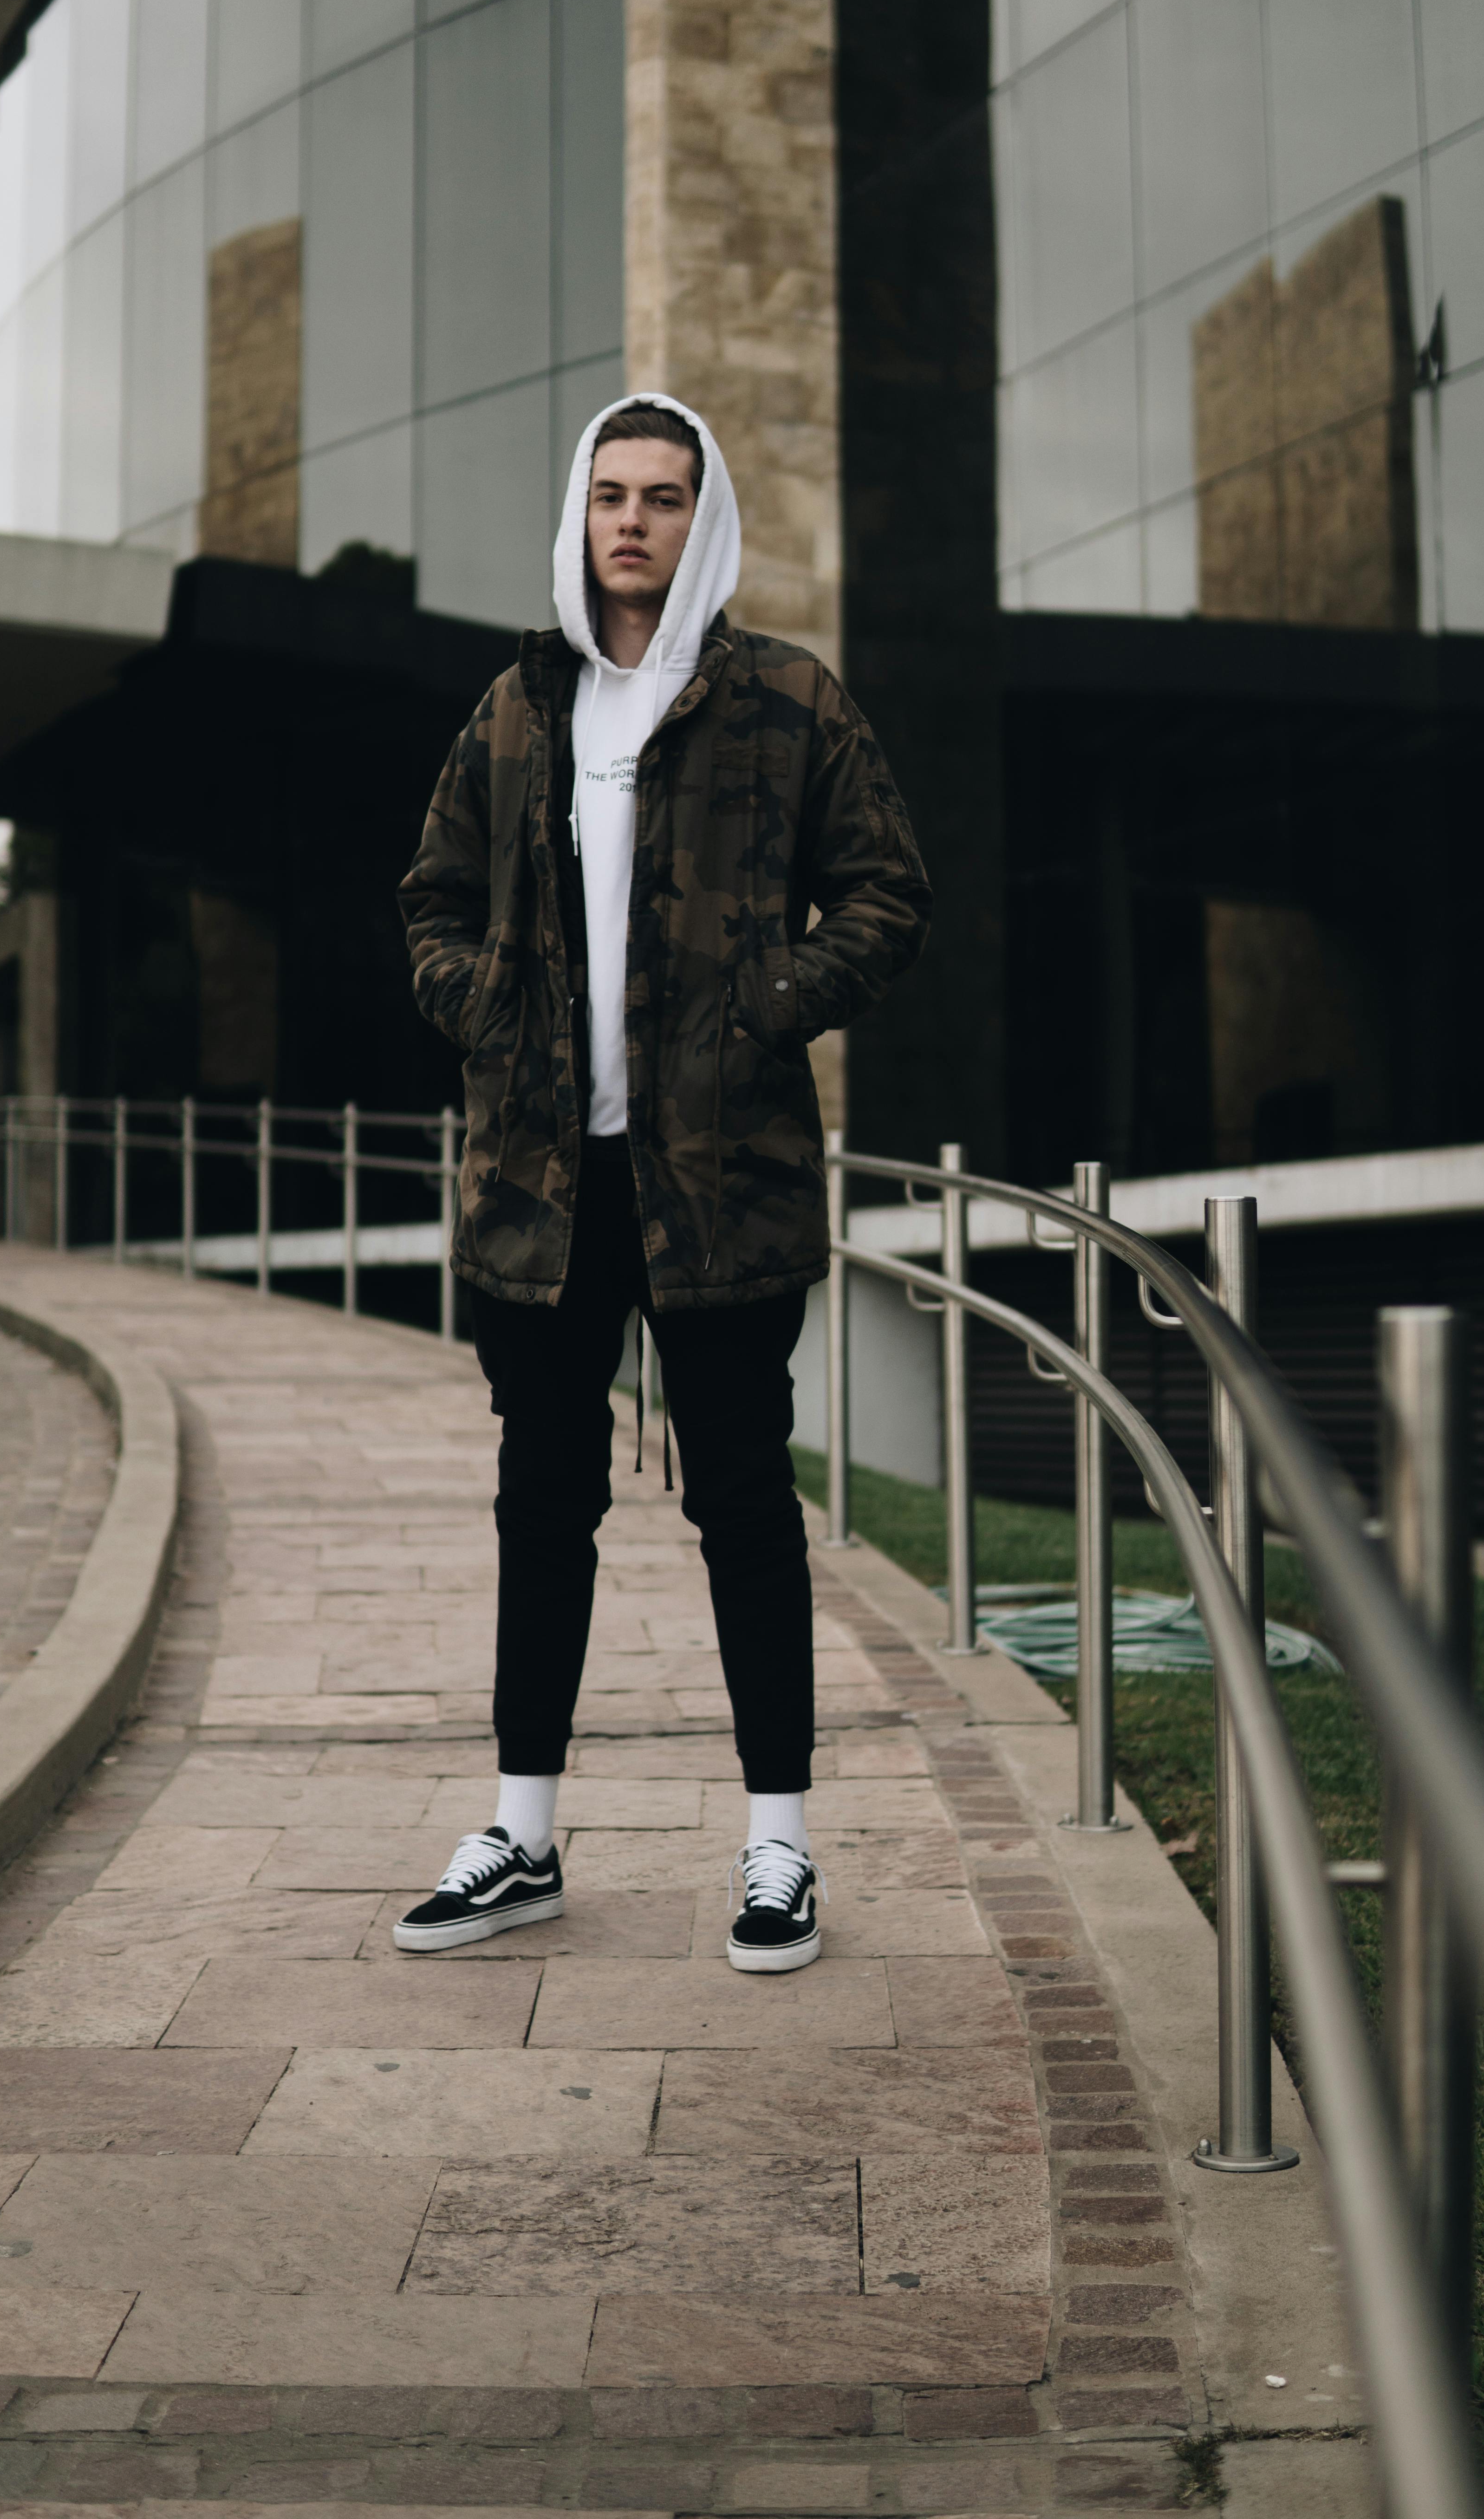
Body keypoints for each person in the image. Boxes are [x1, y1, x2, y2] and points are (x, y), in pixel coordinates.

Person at [393, 394, 930, 1970]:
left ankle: (779, 1848)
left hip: (724, 1180)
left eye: (665, 497)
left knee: (746, 1504)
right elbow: (429, 899)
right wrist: (485, 1009)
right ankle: (523, 1835)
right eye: (612, 494)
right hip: (543, 1188)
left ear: (707, 518)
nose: (633, 521)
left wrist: (772, 1004)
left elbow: (889, 891)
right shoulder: (519, 709)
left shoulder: (787, 702)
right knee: (542, 1504)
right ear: (582, 514)